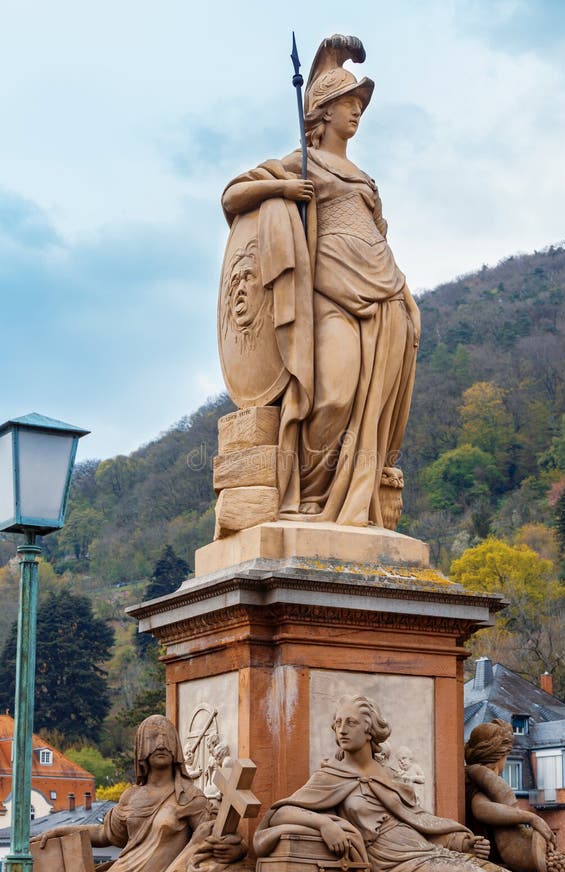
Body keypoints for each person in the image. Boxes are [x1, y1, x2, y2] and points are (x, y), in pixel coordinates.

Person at [221, 35, 420, 527]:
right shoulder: (302, 162)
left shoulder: (366, 179)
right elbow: (233, 195)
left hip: (384, 293)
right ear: (323, 112)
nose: (357, 114)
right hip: (327, 296)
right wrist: (284, 187)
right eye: (349, 104)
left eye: (359, 105)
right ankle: (311, 495)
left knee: (371, 405)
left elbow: (380, 237)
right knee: (333, 393)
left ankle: (355, 498)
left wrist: (406, 296)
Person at [254, 695, 534, 872]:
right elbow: (280, 812)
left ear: (369, 730)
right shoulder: (331, 775)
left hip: (423, 850)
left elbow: (417, 819)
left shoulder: (387, 774)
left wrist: (459, 841)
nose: (341, 729)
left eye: (351, 722)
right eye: (338, 722)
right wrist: (324, 825)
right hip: (390, 861)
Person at [32, 715, 245, 872]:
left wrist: (238, 849)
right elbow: (104, 834)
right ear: (142, 748)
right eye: (153, 738)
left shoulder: (188, 796)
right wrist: (60, 831)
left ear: (176, 747)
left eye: (167, 737)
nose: (161, 744)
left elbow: (210, 837)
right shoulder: (131, 797)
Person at [465, 719, 565, 872]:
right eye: (506, 755)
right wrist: (531, 818)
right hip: (492, 859)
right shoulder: (479, 781)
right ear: (499, 756)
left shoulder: (486, 780)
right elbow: (481, 809)